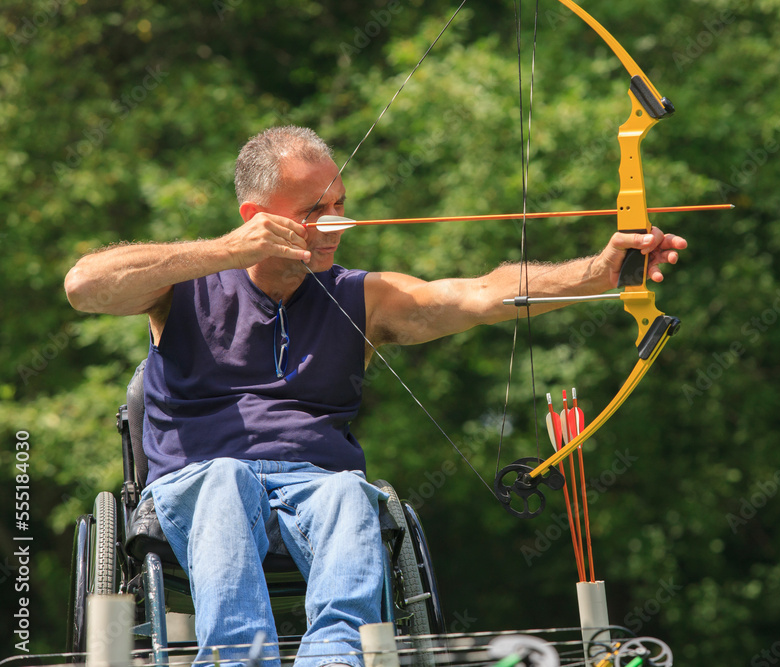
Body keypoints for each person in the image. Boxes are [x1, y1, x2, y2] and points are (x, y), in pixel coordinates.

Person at [63, 126, 687, 667]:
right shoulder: (184, 286)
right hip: (201, 483)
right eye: (315, 209)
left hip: (315, 486)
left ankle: (335, 657)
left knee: (346, 491)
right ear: (257, 217)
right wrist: (227, 250)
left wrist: (601, 272)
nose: (338, 222)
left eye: (341, 203)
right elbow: (83, 285)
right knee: (226, 479)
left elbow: (481, 293)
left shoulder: (360, 297)